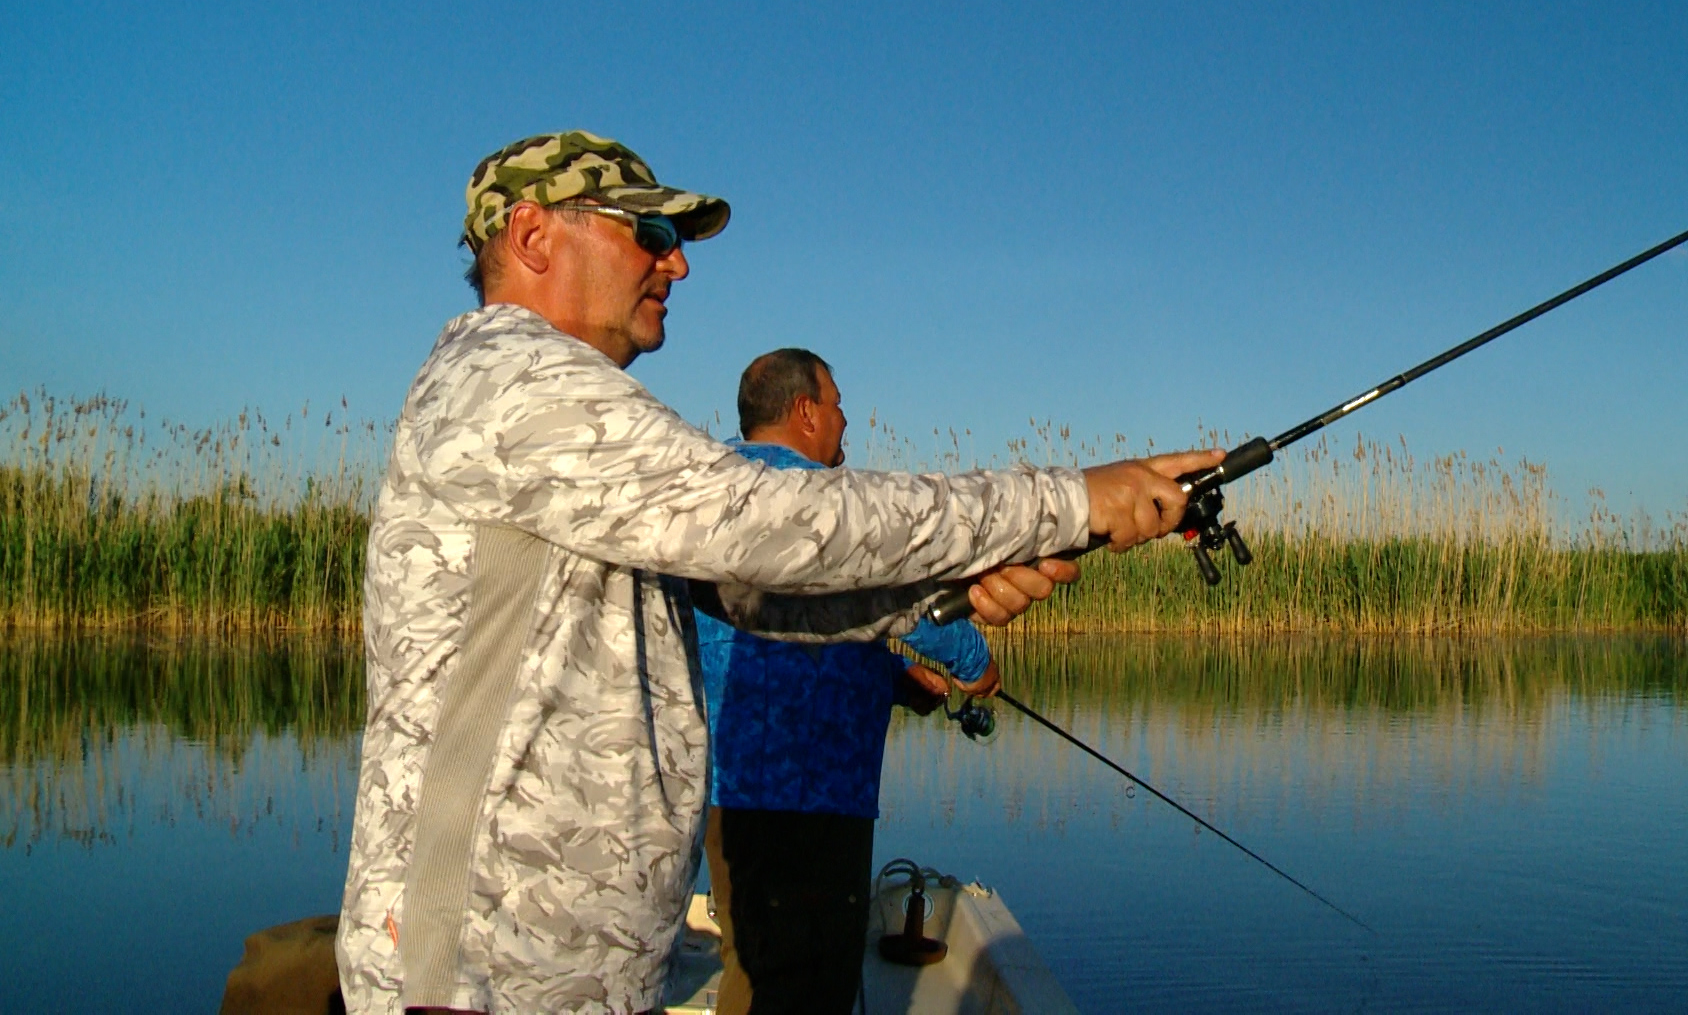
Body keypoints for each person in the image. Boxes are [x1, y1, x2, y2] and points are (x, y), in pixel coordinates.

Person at [336, 130, 1221, 1015]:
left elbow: (750, 592)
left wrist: (928, 594)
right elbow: (775, 523)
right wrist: (1067, 501)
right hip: (476, 982)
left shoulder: (546, 412)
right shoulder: (511, 378)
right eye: (647, 234)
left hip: (566, 971)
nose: (676, 265)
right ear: (533, 237)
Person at [696, 349, 998, 1014]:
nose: (845, 419)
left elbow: (785, 627)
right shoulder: (828, 502)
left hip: (723, 794)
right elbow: (907, 599)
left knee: (748, 963)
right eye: (835, 403)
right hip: (815, 801)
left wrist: (891, 678)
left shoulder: (703, 493)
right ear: (805, 412)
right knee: (813, 983)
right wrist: (975, 667)